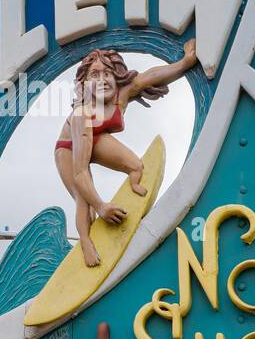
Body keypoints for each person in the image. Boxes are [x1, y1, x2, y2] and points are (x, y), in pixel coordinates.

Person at [54, 40, 198, 267]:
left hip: (96, 137)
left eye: (107, 73)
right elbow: (81, 172)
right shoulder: (81, 115)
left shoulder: (121, 94)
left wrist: (185, 63)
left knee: (136, 166)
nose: (101, 80)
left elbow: (151, 76)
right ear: (84, 84)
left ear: (117, 77)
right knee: (84, 199)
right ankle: (85, 244)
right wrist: (101, 206)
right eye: (94, 75)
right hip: (70, 148)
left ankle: (133, 189)